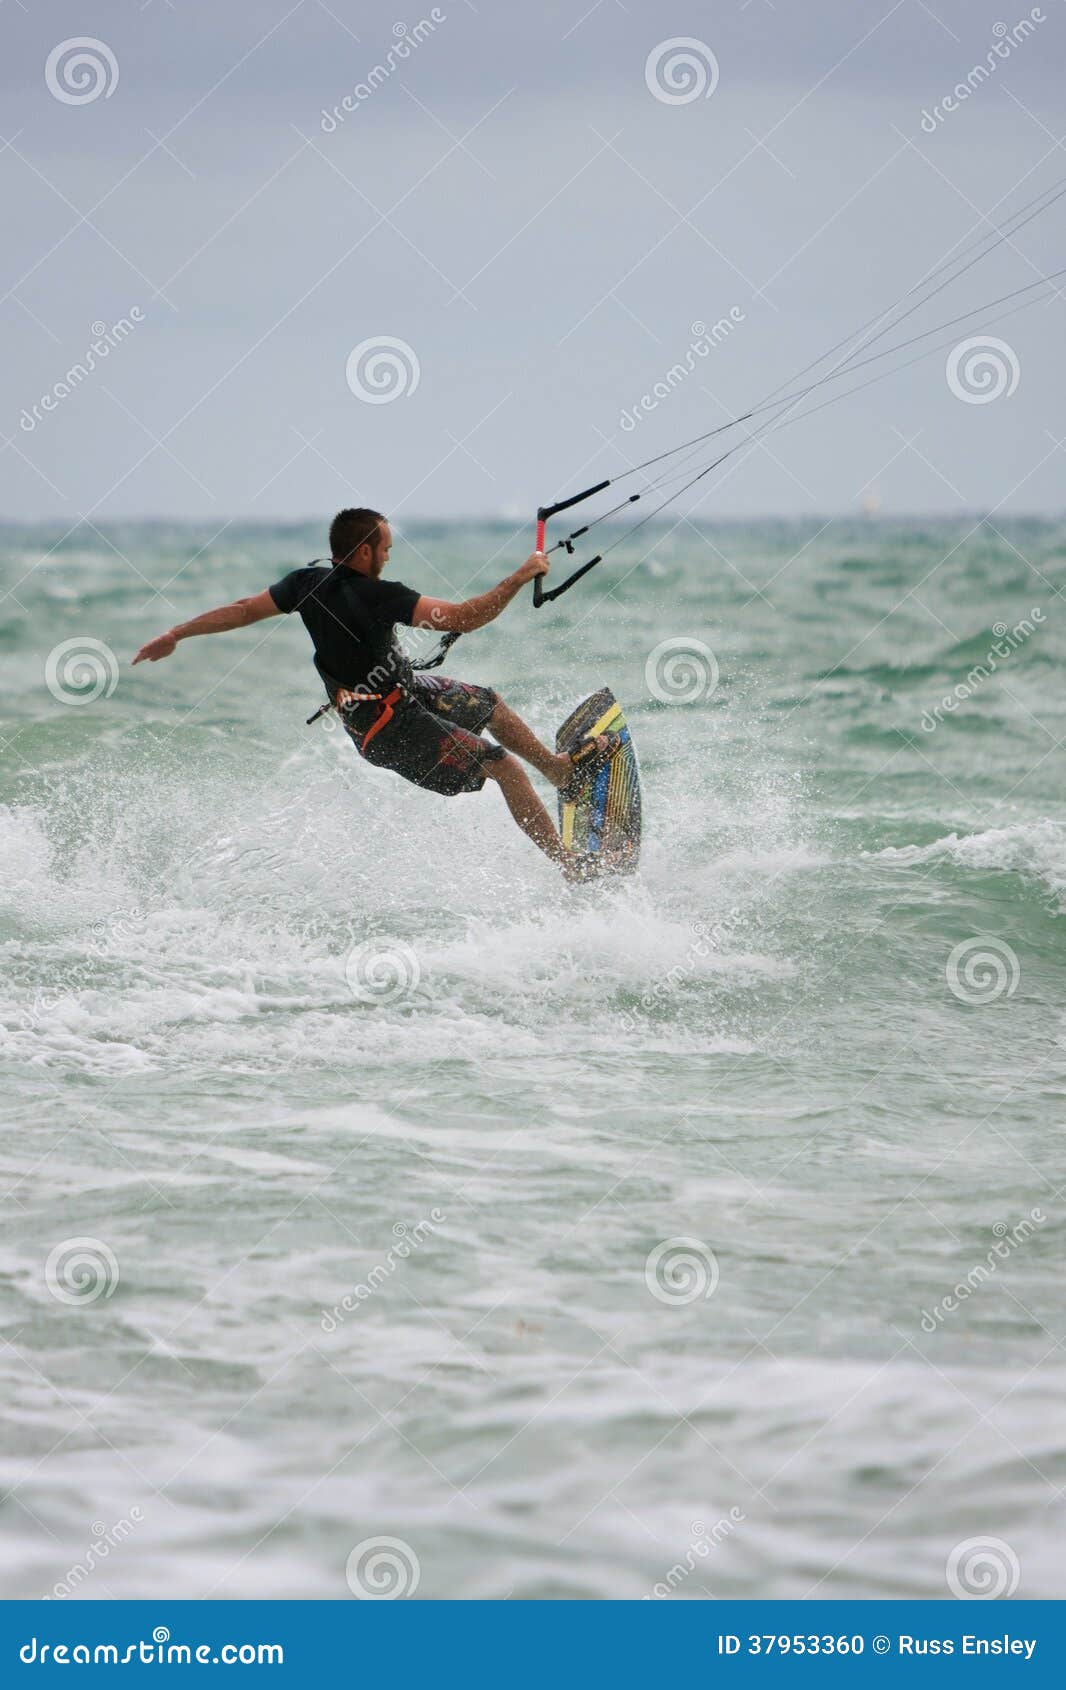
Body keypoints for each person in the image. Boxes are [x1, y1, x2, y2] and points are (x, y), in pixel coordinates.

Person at [132, 507, 617, 870]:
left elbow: (241, 609)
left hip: (399, 690)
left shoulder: (305, 583)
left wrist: (176, 633)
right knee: (503, 766)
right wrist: (522, 575)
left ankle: (557, 772)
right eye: (384, 548)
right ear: (363, 551)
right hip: (386, 729)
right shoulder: (379, 595)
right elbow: (469, 618)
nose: (388, 555)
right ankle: (569, 866)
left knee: (489, 704)